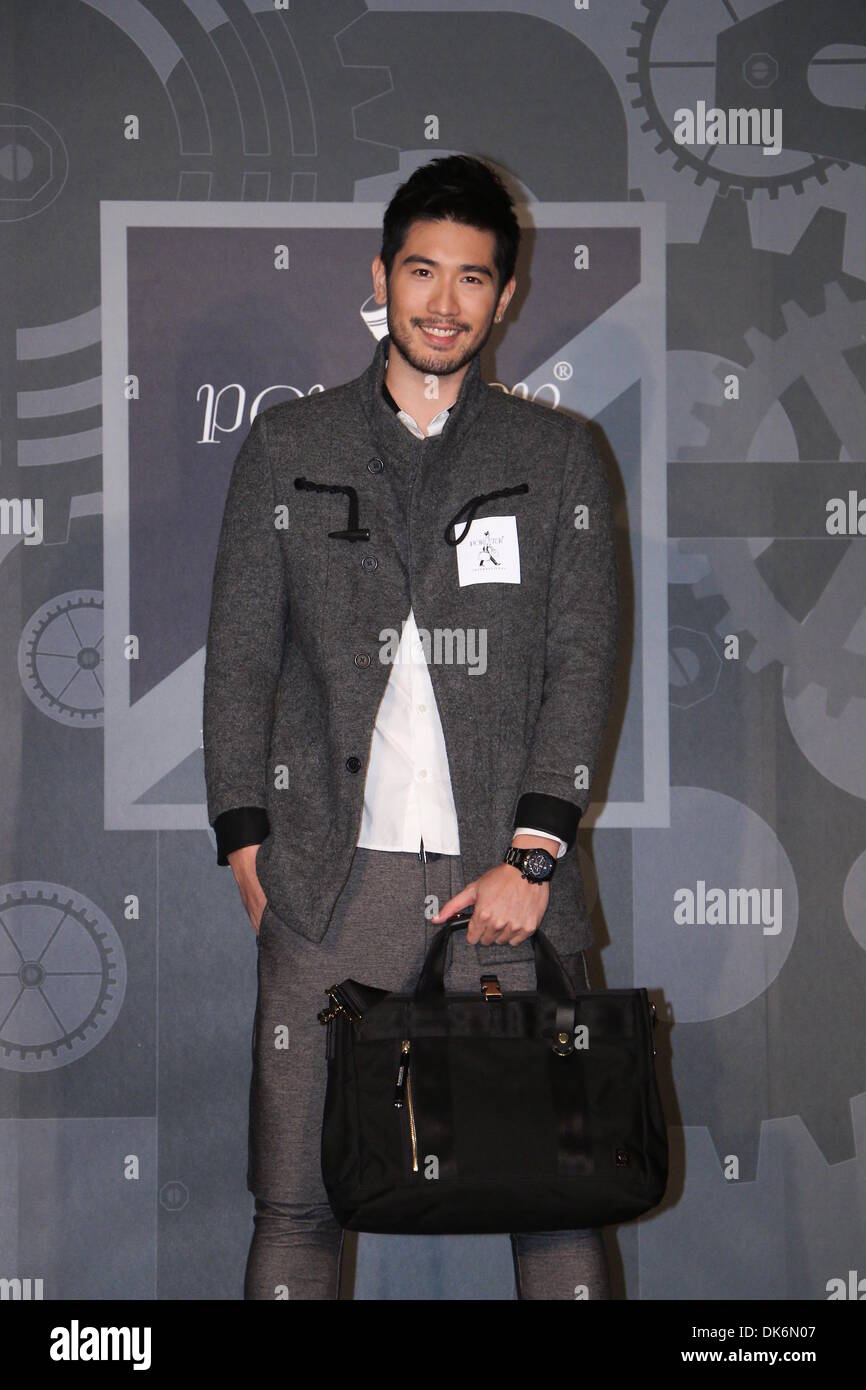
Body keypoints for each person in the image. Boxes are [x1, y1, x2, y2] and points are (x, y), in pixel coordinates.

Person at [202, 154, 619, 1299]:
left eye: (472, 279)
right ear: (379, 276)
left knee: (553, 1205)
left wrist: (533, 855)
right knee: (294, 1203)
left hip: (511, 885)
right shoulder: (291, 447)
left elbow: (581, 664)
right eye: (421, 271)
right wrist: (248, 845)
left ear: (505, 296)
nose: (443, 303)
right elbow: (240, 656)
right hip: (332, 877)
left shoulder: (556, 457)